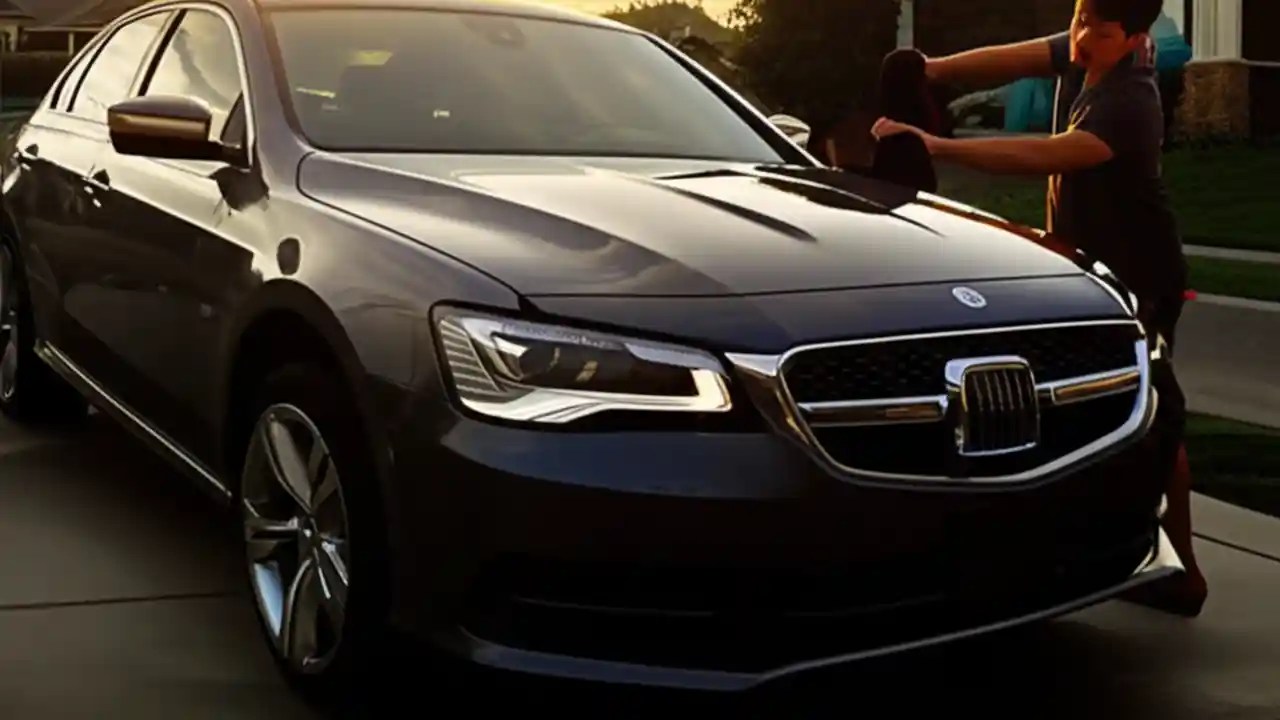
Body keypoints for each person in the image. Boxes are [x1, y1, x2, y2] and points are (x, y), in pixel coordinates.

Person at [870, 0, 1208, 617]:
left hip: (1142, 273)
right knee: (1096, 413)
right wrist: (934, 69)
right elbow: (1021, 55)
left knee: (1155, 417)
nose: (1080, 40)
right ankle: (1095, 545)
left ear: (1133, 40)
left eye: (1098, 34)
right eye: (1078, 20)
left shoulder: (1131, 100)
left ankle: (1182, 571)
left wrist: (935, 146)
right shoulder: (1090, 40)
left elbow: (1045, 154)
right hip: (1090, 272)